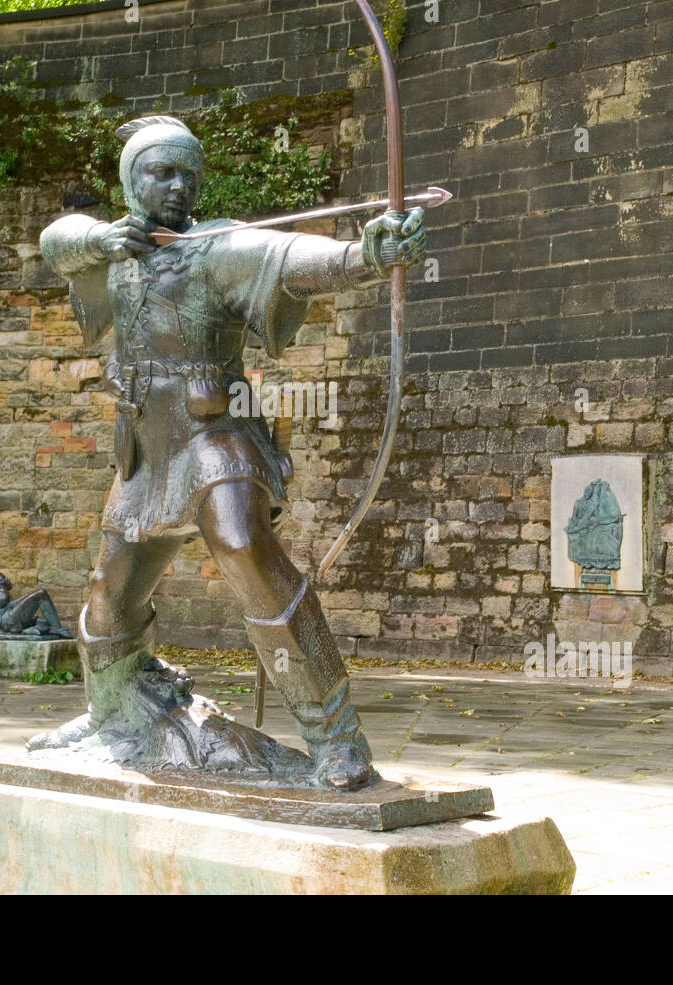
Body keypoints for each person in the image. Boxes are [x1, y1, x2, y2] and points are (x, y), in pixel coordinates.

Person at [32, 116, 426, 789]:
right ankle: (108, 713)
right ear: (131, 181)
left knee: (243, 542)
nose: (180, 185)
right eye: (162, 172)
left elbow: (297, 259)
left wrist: (366, 255)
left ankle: (336, 736)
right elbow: (54, 241)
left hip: (216, 439)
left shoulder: (217, 247)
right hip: (145, 452)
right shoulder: (111, 252)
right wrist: (102, 236)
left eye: (189, 173)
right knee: (109, 597)